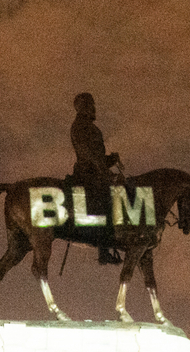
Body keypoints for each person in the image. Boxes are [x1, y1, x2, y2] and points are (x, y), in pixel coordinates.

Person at [70, 92, 123, 266]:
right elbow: (87, 154)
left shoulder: (91, 128)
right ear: (82, 107)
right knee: (106, 202)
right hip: (87, 174)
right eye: (90, 104)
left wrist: (110, 160)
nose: (94, 108)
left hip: (96, 172)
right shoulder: (79, 126)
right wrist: (103, 169)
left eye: (93, 104)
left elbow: (97, 157)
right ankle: (103, 250)